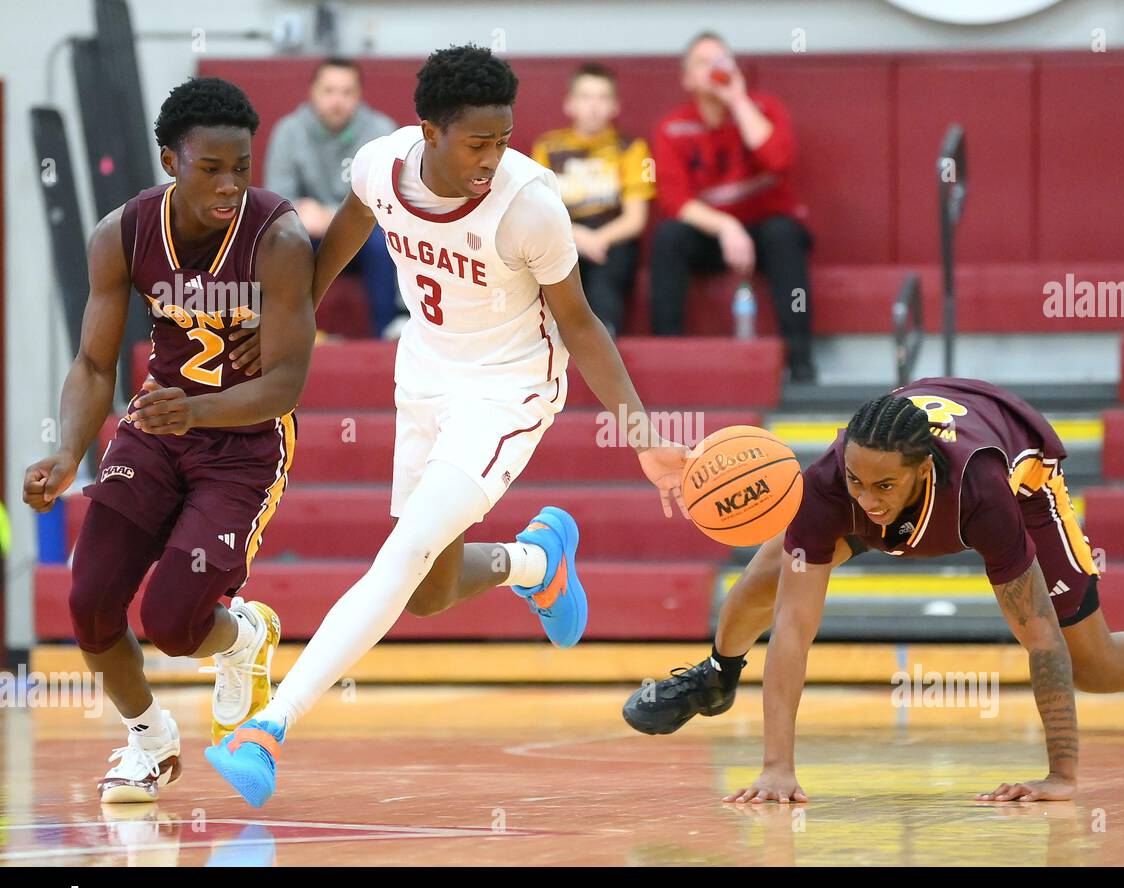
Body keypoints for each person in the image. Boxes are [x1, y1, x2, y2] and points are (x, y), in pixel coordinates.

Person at [206, 46, 690, 808]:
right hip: (425, 376)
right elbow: (341, 242)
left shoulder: (530, 203)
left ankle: (269, 726)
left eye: (502, 139)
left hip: (508, 393)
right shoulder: (377, 164)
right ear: (427, 131)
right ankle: (535, 562)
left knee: (400, 556)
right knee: (429, 591)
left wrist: (644, 437)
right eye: (476, 142)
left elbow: (583, 325)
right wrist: (282, 323)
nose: (492, 158)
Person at [624, 378, 1124, 801]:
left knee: (1093, 662)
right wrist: (776, 767)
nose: (867, 499)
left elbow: (1040, 637)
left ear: (922, 470)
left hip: (1026, 477)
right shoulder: (835, 485)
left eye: (883, 486)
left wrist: (1061, 776)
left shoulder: (983, 490)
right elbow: (795, 628)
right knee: (761, 583)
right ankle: (715, 676)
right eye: (857, 481)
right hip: (914, 452)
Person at [22, 77, 317, 803]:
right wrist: (66, 454)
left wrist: (196, 414)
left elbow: (285, 386)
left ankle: (243, 637)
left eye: (241, 168)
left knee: (173, 625)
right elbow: (94, 363)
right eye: (210, 168)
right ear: (169, 161)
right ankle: (148, 743)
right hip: (156, 434)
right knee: (90, 601)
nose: (229, 185)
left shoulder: (277, 237)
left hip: (243, 444)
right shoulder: (120, 232)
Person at [650, 31, 816, 382]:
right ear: (687, 79)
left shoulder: (764, 108)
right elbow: (674, 201)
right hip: (712, 234)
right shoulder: (672, 127)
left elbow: (779, 162)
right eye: (704, 62)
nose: (715, 68)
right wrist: (726, 227)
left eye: (722, 59)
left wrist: (738, 101)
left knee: (783, 234)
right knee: (668, 238)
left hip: (766, 227)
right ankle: (666, 360)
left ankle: (800, 362)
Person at [264, 58, 401, 337]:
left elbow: (389, 201)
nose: (337, 101)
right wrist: (299, 215)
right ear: (312, 92)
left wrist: (330, 217)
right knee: (281, 239)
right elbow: (275, 201)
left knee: (384, 241)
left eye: (346, 92)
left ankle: (388, 333)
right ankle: (282, 334)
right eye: (329, 91)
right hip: (310, 235)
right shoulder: (288, 131)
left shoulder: (381, 131)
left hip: (366, 235)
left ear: (359, 96)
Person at [532, 62, 654, 336]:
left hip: (612, 238)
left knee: (606, 272)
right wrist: (579, 237)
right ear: (570, 104)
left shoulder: (633, 148)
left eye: (602, 98)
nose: (594, 106)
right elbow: (538, 211)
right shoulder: (547, 148)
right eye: (585, 97)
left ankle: (604, 338)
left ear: (615, 106)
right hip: (563, 234)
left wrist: (598, 240)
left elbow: (636, 219)